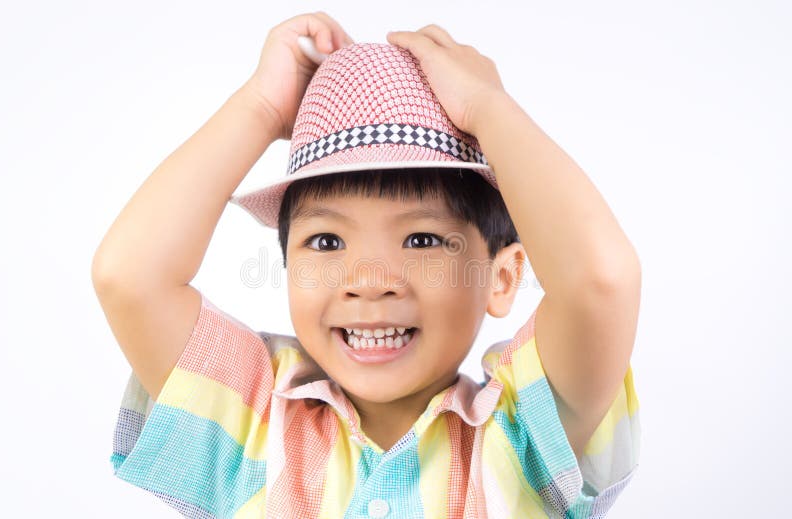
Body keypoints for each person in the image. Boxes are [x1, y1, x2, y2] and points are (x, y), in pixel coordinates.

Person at [92, 11, 641, 519]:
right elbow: (129, 277)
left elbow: (601, 281)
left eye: (422, 239)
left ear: (500, 277)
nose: (369, 282)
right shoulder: (252, 425)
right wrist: (258, 109)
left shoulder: (523, 438)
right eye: (327, 242)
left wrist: (489, 109)